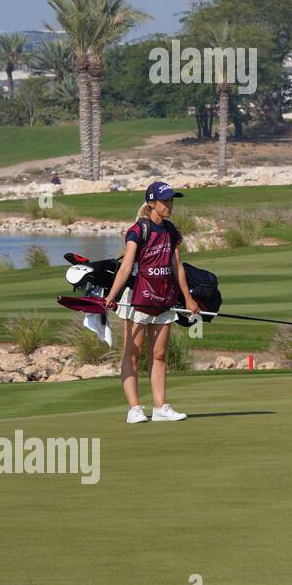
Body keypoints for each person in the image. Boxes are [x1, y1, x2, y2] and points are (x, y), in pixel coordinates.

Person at [102, 181, 199, 423]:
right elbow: (125, 267)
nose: (169, 205)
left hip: (164, 298)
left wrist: (187, 298)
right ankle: (134, 409)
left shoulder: (171, 231)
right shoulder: (138, 230)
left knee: (159, 354)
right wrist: (111, 296)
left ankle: (159, 407)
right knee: (132, 355)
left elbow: (177, 267)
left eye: (171, 201)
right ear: (151, 203)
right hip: (137, 298)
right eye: (165, 201)